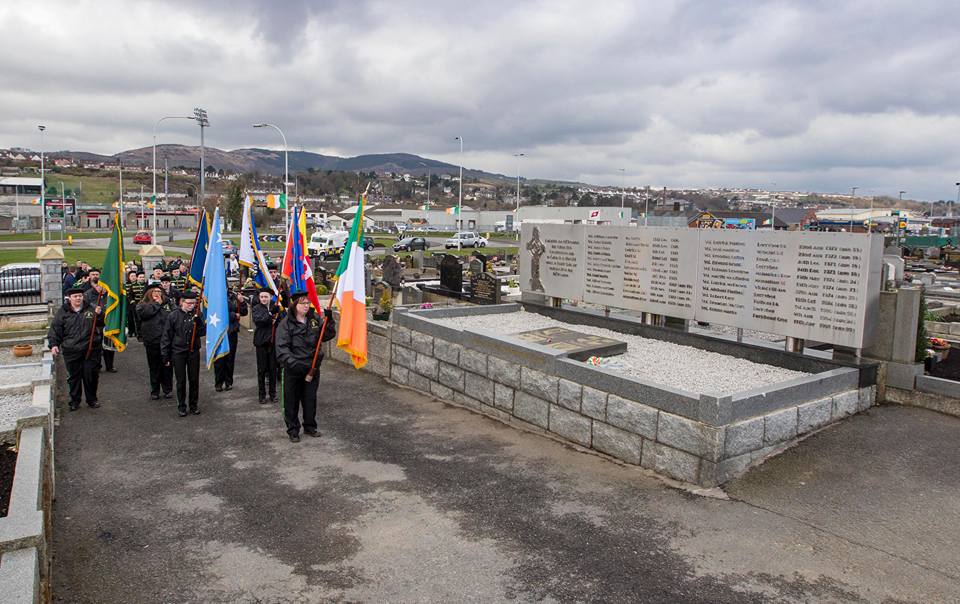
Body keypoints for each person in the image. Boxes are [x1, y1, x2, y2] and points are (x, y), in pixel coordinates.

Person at [275, 293, 336, 442]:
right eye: (302, 303)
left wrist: (329, 320)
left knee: (310, 399)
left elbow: (326, 335)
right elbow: (282, 348)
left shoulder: (314, 319)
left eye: (308, 303)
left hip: (312, 367)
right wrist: (294, 363)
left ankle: (310, 426)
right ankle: (293, 430)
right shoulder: (286, 324)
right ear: (294, 305)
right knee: (291, 401)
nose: (306, 306)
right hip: (293, 368)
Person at [47, 285, 104, 411]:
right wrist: (54, 344)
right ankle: (74, 401)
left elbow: (100, 324)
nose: (78, 298)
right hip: (71, 350)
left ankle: (92, 399)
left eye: (80, 296)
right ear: (70, 298)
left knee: (91, 375)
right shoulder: (63, 311)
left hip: (90, 349)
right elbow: (55, 329)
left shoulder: (91, 308)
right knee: (74, 377)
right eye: (75, 296)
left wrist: (100, 315)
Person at [161, 290, 205, 417]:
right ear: (182, 302)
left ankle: (193, 405)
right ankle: (181, 406)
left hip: (193, 351)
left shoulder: (198, 314)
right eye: (189, 303)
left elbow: (202, 332)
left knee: (194, 379)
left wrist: (199, 323)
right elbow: (166, 336)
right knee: (180, 380)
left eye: (194, 303)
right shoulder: (173, 316)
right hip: (178, 352)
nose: (191, 305)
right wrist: (165, 355)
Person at [137, 283, 174, 400]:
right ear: (149, 293)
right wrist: (156, 305)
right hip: (152, 340)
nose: (158, 294)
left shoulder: (168, 303)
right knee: (154, 366)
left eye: (159, 292)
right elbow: (145, 314)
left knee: (167, 366)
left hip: (167, 341)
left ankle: (168, 389)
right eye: (155, 292)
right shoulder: (143, 305)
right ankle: (155, 390)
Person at [251, 288, 283, 403]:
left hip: (273, 343)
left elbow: (281, 324)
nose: (264, 299)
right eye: (262, 297)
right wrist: (270, 314)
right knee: (262, 369)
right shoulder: (256, 309)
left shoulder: (276, 307)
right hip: (261, 343)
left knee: (273, 369)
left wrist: (278, 316)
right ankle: (262, 394)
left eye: (266, 297)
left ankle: (273, 393)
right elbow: (260, 321)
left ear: (270, 297)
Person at [214, 285, 248, 391]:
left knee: (230, 359)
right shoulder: (215, 298)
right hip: (219, 332)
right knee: (219, 359)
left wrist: (242, 302)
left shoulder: (234, 297)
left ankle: (229, 382)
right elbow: (217, 314)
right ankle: (218, 383)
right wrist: (234, 315)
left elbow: (244, 312)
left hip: (232, 332)